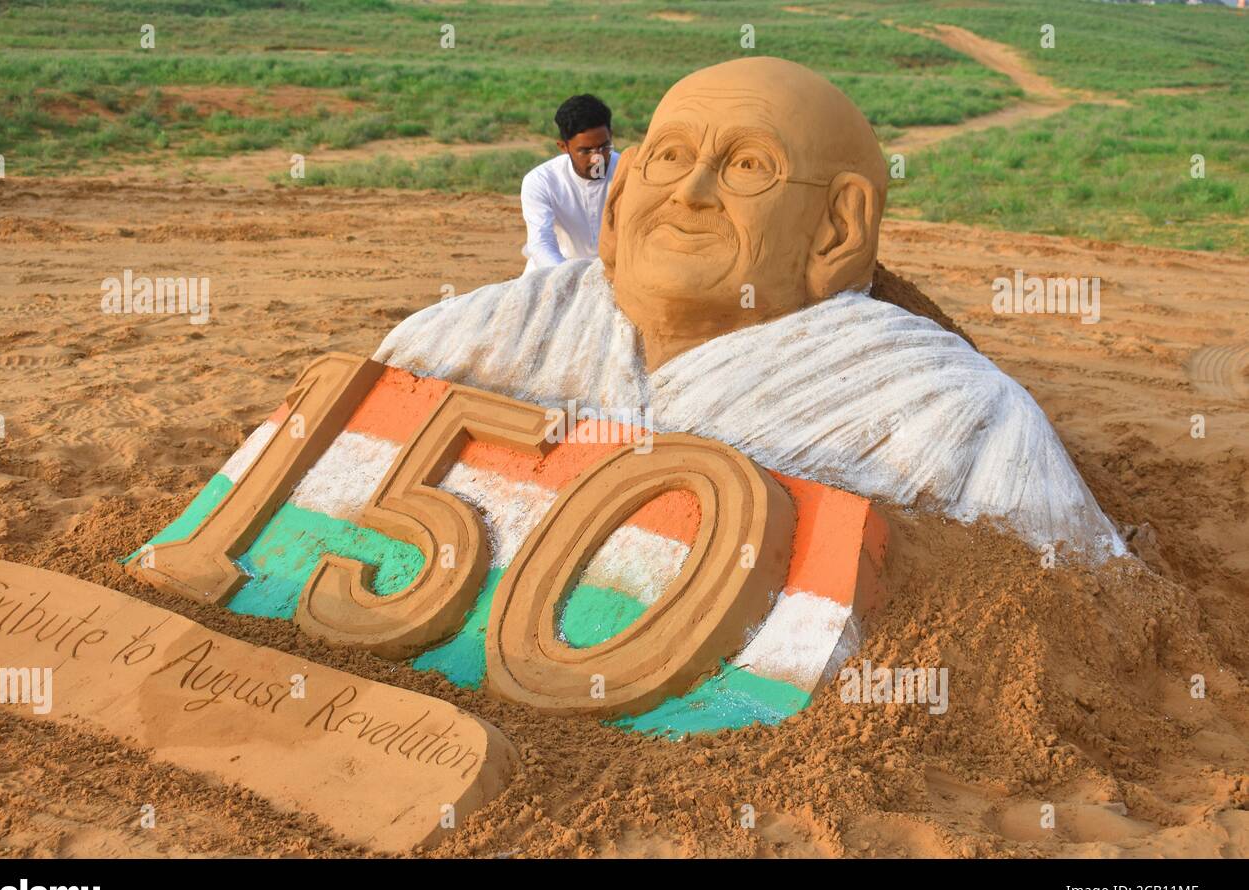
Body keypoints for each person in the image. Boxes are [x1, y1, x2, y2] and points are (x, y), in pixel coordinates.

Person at [376, 58, 1125, 562]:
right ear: (621, 196)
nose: (690, 192)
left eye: (745, 166)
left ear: (839, 227)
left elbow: (1069, 621)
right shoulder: (467, 334)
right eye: (669, 157)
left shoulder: (959, 422)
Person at [519, 94, 621, 272]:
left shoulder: (628, 171)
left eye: (604, 147)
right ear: (563, 147)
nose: (597, 158)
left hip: (616, 272)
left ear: (611, 136)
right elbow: (541, 244)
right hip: (554, 272)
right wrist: (570, 281)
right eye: (586, 151)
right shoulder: (541, 181)